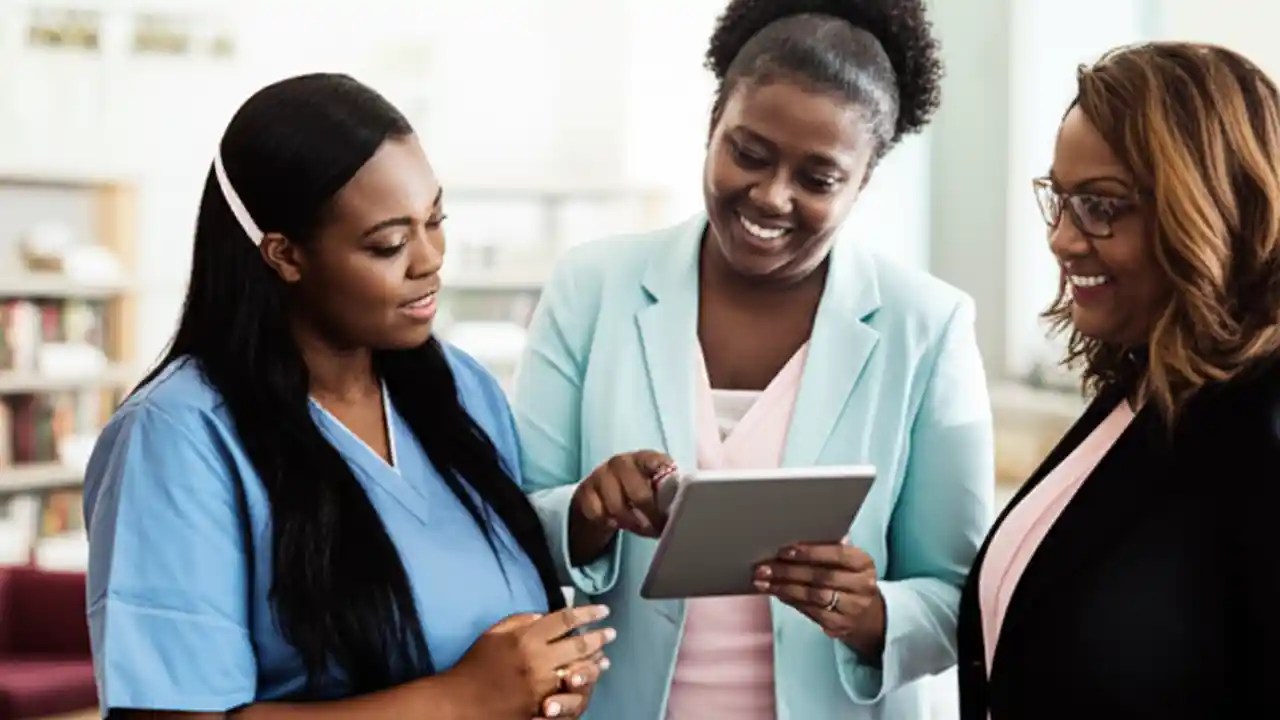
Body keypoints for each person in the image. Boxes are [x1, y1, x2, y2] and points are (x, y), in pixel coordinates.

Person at [513, 1, 995, 717]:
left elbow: (961, 595)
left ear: (863, 181)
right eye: (749, 153)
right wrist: (586, 512)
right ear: (713, 126)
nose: (771, 197)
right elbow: (512, 525)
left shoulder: (926, 325)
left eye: (818, 179)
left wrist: (870, 612)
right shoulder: (592, 288)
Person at [82, 73, 614, 720]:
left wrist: (548, 680)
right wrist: (464, 699)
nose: (429, 259)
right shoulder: (177, 438)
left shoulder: (463, 391)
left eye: (436, 220)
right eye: (388, 243)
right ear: (284, 255)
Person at [956, 42, 1280, 719]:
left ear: (1211, 209)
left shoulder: (1257, 428)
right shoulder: (1141, 390)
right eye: (1060, 199)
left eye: (1100, 206)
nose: (1061, 239)